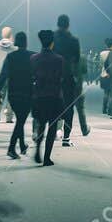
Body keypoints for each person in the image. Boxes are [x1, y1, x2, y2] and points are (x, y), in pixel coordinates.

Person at [31, 29, 66, 165]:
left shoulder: (34, 58)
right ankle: (47, 158)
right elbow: (61, 78)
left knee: (41, 125)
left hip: (39, 96)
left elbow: (32, 77)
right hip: (54, 96)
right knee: (52, 127)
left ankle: (37, 150)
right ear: (52, 43)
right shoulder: (59, 59)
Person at [53, 14, 88, 142]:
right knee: (69, 107)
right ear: (68, 25)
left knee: (53, 105)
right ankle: (66, 137)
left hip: (53, 77)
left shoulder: (52, 37)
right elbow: (77, 59)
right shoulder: (74, 40)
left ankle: (53, 132)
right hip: (68, 77)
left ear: (57, 24)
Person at [1, 30, 34, 159]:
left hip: (13, 93)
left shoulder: (10, 57)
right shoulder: (32, 56)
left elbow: (4, 74)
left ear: (16, 42)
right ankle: (11, 148)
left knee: (20, 119)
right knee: (21, 120)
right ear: (26, 42)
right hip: (27, 92)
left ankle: (21, 145)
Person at [0, 28, 16, 124]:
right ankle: (9, 116)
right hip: (11, 74)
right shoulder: (14, 48)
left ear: (2, 35)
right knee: (11, 95)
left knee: (0, 92)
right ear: (11, 35)